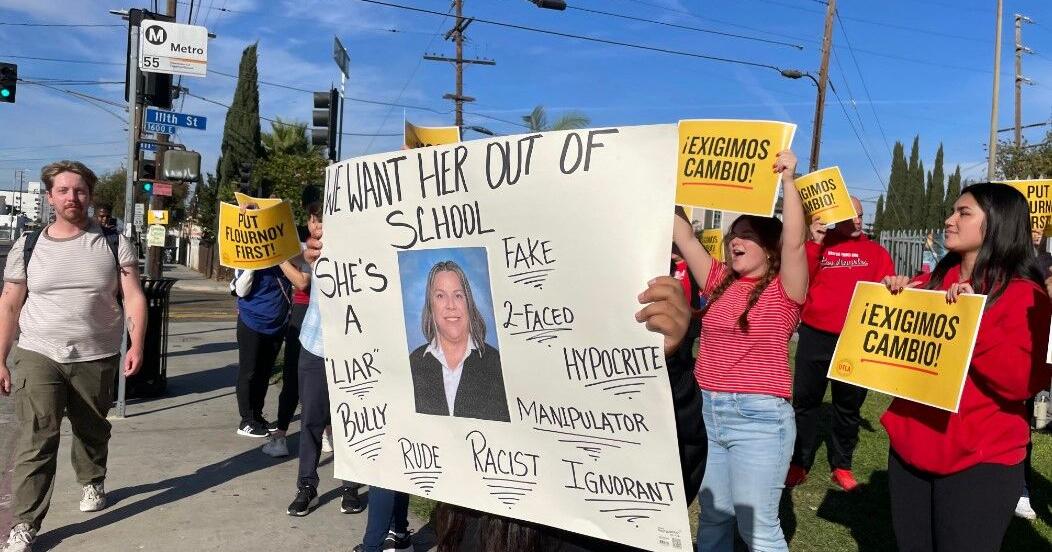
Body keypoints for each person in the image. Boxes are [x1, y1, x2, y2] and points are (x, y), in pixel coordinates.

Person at [880, 183, 1051, 552]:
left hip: (980, 462)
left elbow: (1020, 382)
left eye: (964, 212)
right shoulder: (929, 284)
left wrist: (972, 324)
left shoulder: (1026, 295)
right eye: (953, 211)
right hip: (910, 450)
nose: (949, 219)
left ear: (997, 225)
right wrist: (894, 297)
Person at [0, 161, 148, 552]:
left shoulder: (114, 243)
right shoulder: (28, 245)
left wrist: (137, 343)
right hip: (38, 352)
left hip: (96, 354)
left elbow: (132, 296)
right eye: (63, 191)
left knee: (92, 429)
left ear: (90, 195)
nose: (72, 198)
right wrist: (0, 357)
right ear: (50, 197)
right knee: (37, 437)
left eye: (79, 191)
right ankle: (24, 524)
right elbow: (11, 303)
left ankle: (92, 478)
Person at [672, 150, 808, 552]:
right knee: (712, 517)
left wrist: (788, 181)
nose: (735, 241)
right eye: (734, 234)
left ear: (769, 247)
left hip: (759, 421)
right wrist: (669, 176)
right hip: (706, 413)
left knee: (758, 529)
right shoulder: (717, 280)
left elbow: (797, 243)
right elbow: (683, 235)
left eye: (747, 234)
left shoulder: (786, 290)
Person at [786, 196, 895, 491]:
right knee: (805, 402)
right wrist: (814, 242)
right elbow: (800, 278)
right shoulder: (821, 246)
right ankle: (799, 461)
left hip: (855, 340)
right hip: (814, 335)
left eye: (860, 215)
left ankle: (842, 464)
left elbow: (889, 288)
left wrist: (896, 284)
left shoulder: (876, 252)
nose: (858, 221)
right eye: (852, 216)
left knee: (848, 406)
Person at [409, 260, 510, 422]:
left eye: (458, 295)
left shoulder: (497, 364)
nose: (451, 305)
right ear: (431, 306)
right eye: (440, 296)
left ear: (468, 303)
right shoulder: (413, 364)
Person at [1014, 227, 1052, 520]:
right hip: (1027, 351)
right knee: (1020, 422)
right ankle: (1021, 490)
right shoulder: (1014, 262)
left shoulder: (1048, 260)